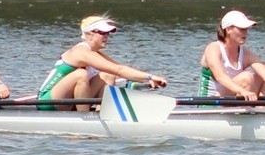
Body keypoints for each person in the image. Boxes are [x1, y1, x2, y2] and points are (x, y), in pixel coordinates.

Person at [37, 15, 169, 111]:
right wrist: (149, 76)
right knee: (80, 75)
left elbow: (120, 70)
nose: (106, 36)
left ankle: (102, 112)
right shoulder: (80, 52)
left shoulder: (95, 54)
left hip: (68, 101)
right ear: (89, 34)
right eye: (102, 32)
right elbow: (120, 70)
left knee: (108, 74)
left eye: (108, 33)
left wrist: (146, 80)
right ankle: (84, 117)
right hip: (48, 101)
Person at [200, 10, 265, 103]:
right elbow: (221, 77)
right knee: (246, 77)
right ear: (228, 29)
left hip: (234, 98)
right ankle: (246, 114)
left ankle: (262, 112)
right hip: (211, 102)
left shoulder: (246, 53)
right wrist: (243, 91)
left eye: (246, 29)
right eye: (241, 29)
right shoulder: (213, 48)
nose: (246, 33)